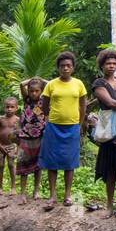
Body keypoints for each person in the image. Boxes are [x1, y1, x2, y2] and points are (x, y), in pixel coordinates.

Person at [39, 51, 87, 209]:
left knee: (69, 162)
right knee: (52, 161)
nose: (65, 68)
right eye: (62, 66)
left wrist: (79, 125)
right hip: (53, 127)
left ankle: (67, 195)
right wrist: (49, 118)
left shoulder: (78, 84)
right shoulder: (51, 84)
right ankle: (52, 196)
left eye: (68, 65)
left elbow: (82, 106)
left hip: (72, 127)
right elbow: (44, 105)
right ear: (58, 68)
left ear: (73, 67)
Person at [91, 49, 116, 213]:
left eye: (114, 63)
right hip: (110, 130)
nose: (111, 66)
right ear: (102, 65)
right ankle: (109, 206)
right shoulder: (99, 84)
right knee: (110, 170)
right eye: (108, 63)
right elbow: (110, 103)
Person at [15, 78, 46, 201]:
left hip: (40, 136)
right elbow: (22, 84)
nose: (34, 93)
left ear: (41, 91)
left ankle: (36, 191)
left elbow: (51, 85)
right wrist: (34, 78)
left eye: (37, 91)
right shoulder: (27, 100)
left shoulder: (44, 101)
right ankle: (22, 193)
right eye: (31, 91)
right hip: (25, 137)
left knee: (38, 166)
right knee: (23, 165)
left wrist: (42, 80)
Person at [0, 96, 20, 194]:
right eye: (7, 107)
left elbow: (19, 135)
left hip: (12, 145)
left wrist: (18, 149)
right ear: (4, 107)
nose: (9, 109)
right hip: (1, 145)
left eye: (12, 107)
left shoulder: (17, 120)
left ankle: (13, 187)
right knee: (0, 165)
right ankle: (0, 187)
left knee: (11, 165)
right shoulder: (0, 119)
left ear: (16, 108)